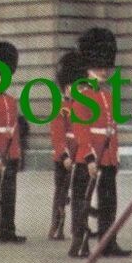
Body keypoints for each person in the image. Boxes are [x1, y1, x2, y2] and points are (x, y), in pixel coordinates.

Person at [69, 28, 131, 259]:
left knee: (108, 202)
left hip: (107, 156)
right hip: (91, 158)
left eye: (105, 67)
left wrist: (114, 155)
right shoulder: (82, 94)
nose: (104, 71)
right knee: (82, 202)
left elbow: (111, 129)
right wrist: (89, 157)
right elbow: (80, 129)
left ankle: (108, 241)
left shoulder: (107, 95)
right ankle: (79, 240)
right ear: (88, 67)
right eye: (98, 67)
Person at [0, 41, 26, 244]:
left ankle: (7, 230)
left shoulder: (11, 100)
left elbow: (15, 130)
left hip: (10, 151)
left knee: (9, 194)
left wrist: (16, 154)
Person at [48, 52, 85, 241]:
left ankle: (78, 226)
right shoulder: (60, 106)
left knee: (80, 194)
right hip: (65, 158)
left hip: (80, 155)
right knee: (62, 193)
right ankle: (57, 225)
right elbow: (57, 134)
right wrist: (64, 156)